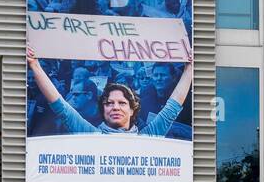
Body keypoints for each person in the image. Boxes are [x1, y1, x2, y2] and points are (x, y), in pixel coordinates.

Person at [27, 45, 193, 136]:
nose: (115, 107)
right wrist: (34, 65)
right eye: (109, 103)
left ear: (132, 109)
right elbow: (60, 107)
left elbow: (172, 107)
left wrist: (189, 69)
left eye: (122, 103)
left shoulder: (149, 136)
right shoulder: (91, 135)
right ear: (103, 109)